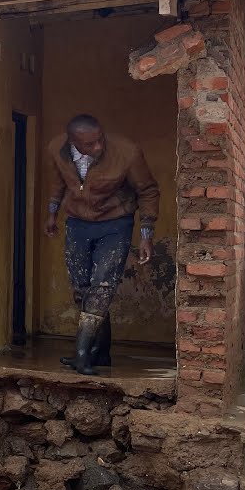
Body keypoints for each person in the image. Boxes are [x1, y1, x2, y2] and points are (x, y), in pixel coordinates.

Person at [44, 114, 159, 376]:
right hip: (77, 223)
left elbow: (148, 190)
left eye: (100, 140)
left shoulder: (127, 152)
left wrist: (146, 234)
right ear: (73, 141)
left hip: (115, 222)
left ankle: (82, 354)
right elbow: (59, 180)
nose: (97, 147)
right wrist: (52, 212)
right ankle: (102, 352)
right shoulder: (56, 148)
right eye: (89, 144)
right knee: (81, 290)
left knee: (102, 287)